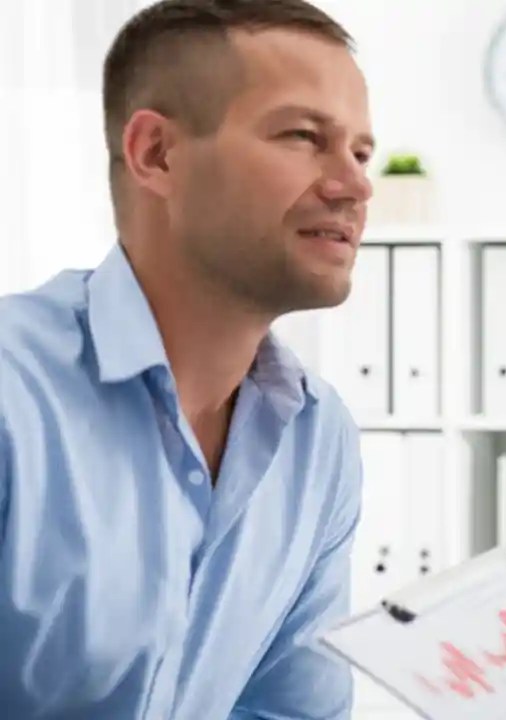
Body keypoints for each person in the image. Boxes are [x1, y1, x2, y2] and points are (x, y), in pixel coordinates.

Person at [0, 0, 375, 716]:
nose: (354, 185)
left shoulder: (319, 441)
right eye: (303, 136)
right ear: (157, 155)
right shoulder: (13, 395)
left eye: (361, 151)